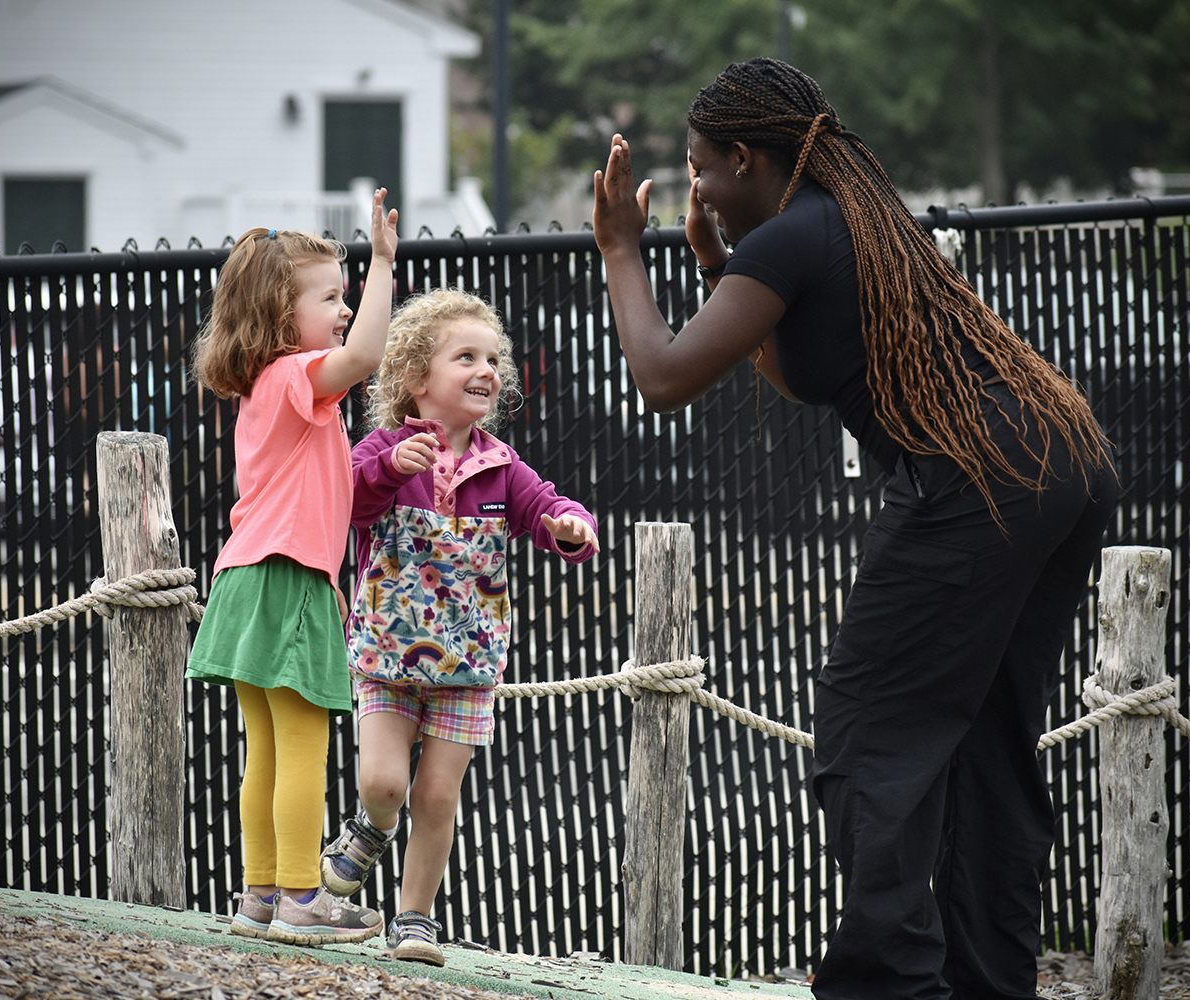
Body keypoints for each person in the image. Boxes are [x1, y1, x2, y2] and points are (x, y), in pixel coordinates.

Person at [592, 57, 1117, 1000]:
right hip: (1059, 462)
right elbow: (800, 374)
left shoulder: (796, 236)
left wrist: (622, 249)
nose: (698, 186)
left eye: (703, 167)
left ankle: (892, 984)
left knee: (867, 733)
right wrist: (716, 265)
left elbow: (664, 378)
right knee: (981, 738)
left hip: (978, 480)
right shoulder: (846, 220)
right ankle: (984, 982)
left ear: (747, 159)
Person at [318, 289, 599, 968]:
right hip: (387, 656)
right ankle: (369, 827)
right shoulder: (382, 450)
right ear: (417, 378)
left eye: (493, 358)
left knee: (439, 794)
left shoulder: (502, 466)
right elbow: (344, 501)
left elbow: (546, 507)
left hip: (468, 666)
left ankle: (415, 918)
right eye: (466, 356)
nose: (488, 369)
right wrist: (388, 468)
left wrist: (570, 527)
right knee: (385, 782)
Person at [183, 190, 398, 946]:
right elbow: (366, 355)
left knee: (267, 751)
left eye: (347, 295)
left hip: (243, 579)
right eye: (331, 297)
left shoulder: (265, 388)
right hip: (286, 576)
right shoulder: (296, 376)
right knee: (304, 745)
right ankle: (305, 899)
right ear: (283, 314)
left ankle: (262, 896)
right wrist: (382, 267)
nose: (344, 309)